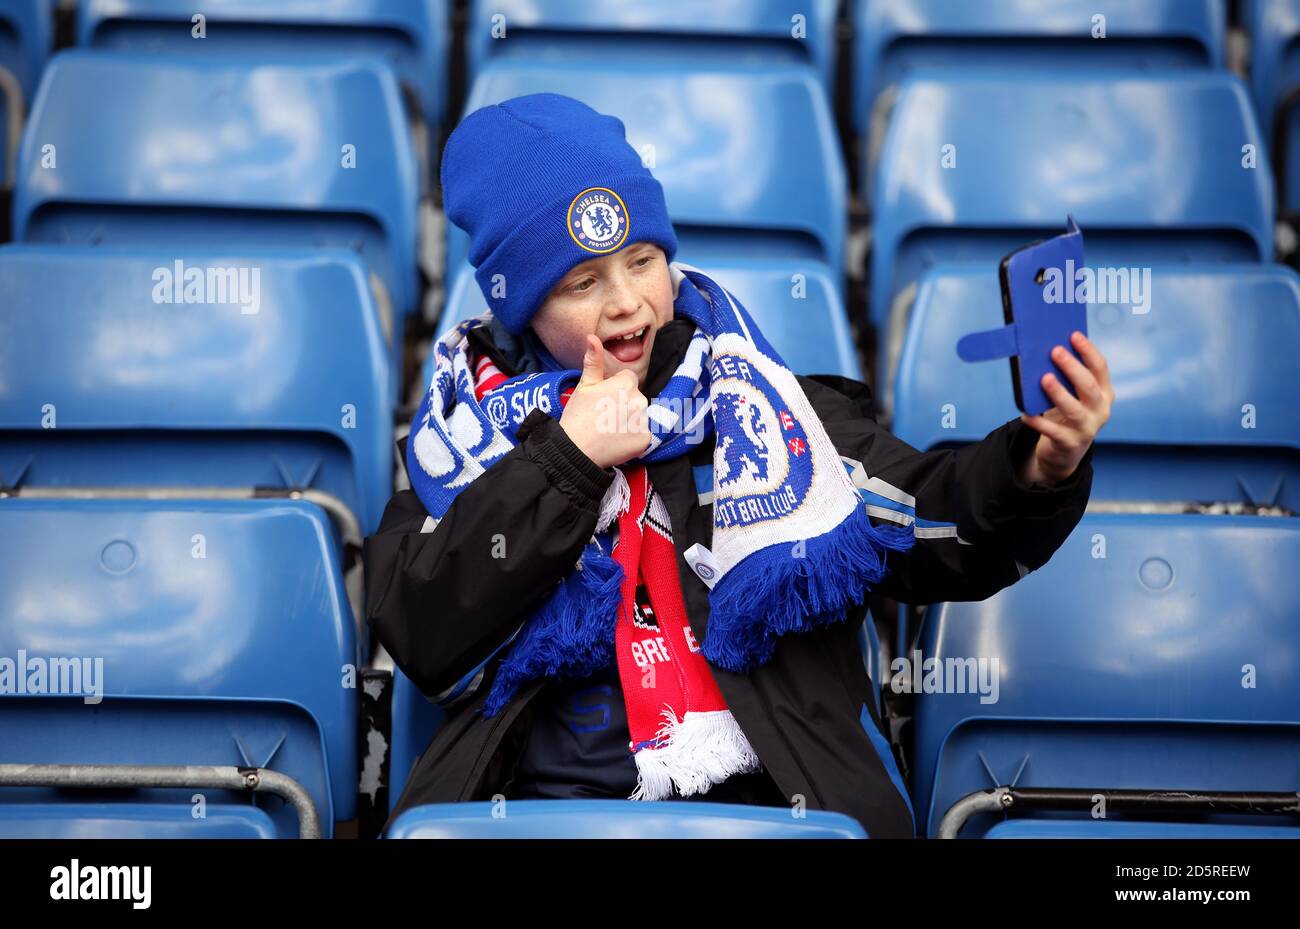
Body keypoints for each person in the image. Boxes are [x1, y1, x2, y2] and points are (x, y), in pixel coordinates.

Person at [364, 93, 1112, 838]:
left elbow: (932, 520)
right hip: (534, 816)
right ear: (522, 303)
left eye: (643, 261)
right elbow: (424, 631)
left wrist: (1038, 466)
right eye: (581, 282)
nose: (627, 303)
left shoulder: (765, 406)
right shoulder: (460, 441)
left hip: (765, 812)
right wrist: (567, 461)